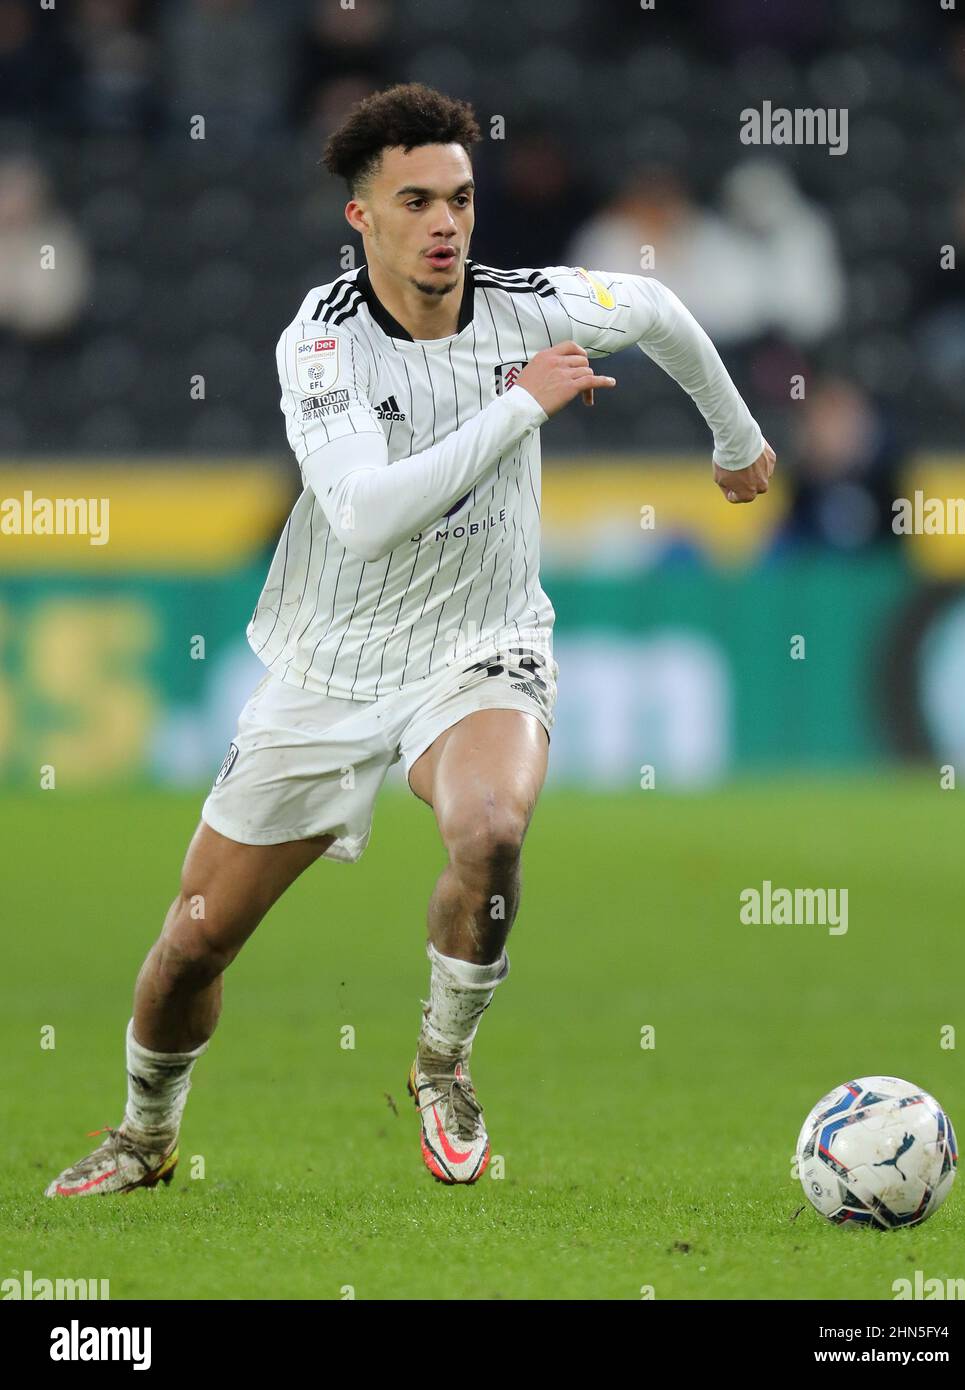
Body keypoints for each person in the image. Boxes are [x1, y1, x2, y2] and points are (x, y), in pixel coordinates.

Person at [46, 82, 774, 1196]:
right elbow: (368, 514)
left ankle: (442, 1063)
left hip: (480, 643)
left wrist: (737, 442)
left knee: (491, 827)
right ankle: (147, 1134)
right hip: (329, 664)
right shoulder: (322, 343)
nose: (447, 224)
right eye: (418, 201)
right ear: (363, 218)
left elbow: (662, 310)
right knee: (195, 937)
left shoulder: (533, 303)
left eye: (463, 200)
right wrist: (523, 406)